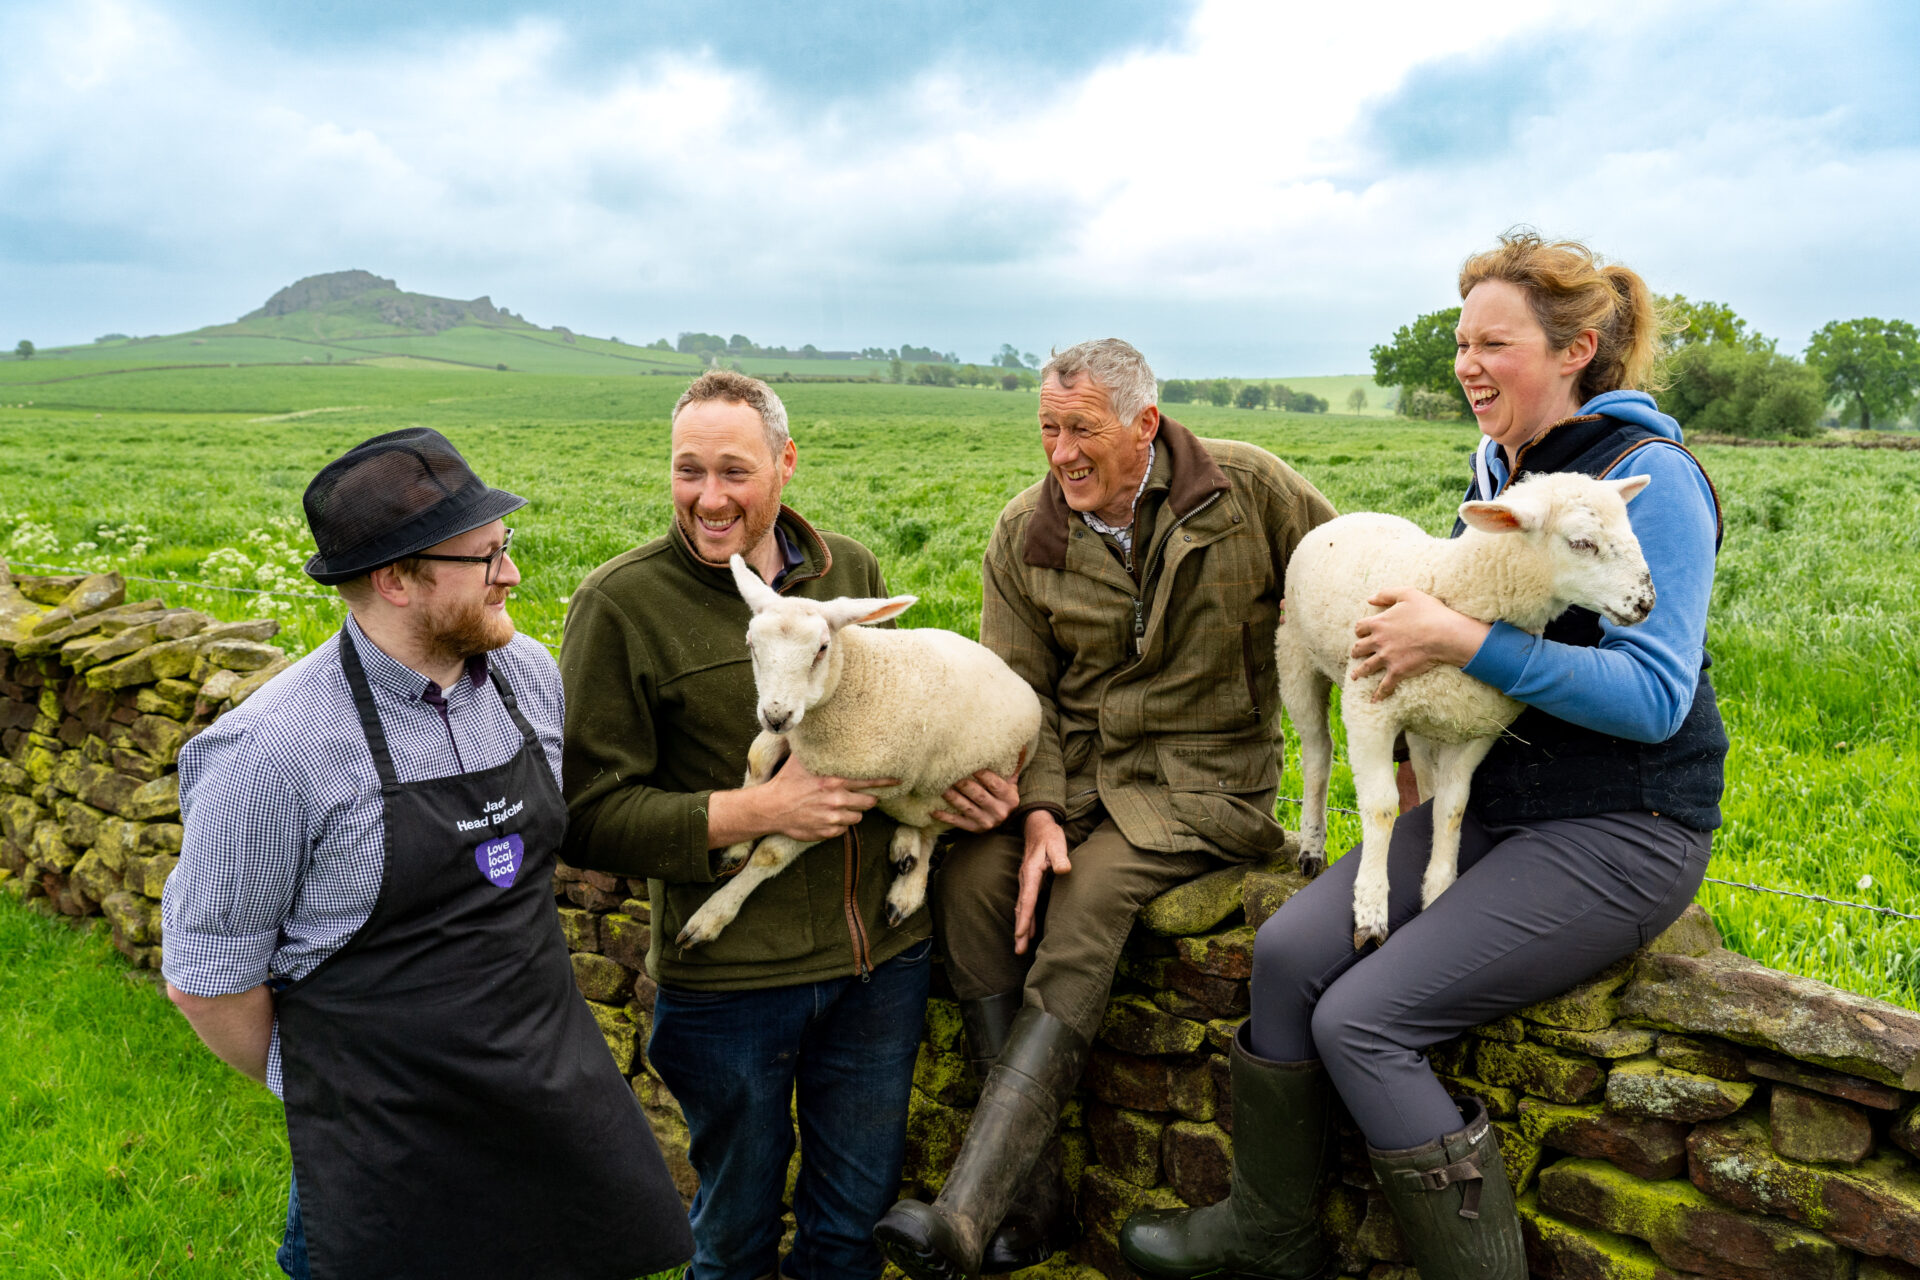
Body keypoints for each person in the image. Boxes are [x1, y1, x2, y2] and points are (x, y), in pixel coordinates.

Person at [1119, 233, 1726, 1280]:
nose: (1467, 365)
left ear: (1576, 349)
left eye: (1495, 344)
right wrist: (1411, 735)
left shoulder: (1651, 478)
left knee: (1363, 1020)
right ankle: (1271, 1235)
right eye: (1461, 343)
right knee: (1287, 954)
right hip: (1490, 803)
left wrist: (1464, 640)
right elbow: (1452, 661)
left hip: (1623, 827)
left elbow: (1655, 697)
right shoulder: (1504, 473)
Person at [161, 427, 691, 1280]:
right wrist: (335, 1087)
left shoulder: (526, 676)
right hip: (386, 1152)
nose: (511, 574)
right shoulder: (271, 753)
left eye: (505, 546)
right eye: (485, 558)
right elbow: (209, 976)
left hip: (544, 1101)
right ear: (396, 580)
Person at [875, 339, 1338, 1278]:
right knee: (971, 885)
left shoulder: (1249, 491)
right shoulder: (1024, 532)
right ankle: (1032, 1203)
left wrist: (1398, 751)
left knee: (1087, 900)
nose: (1061, 452)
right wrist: (1039, 811)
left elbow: (1351, 585)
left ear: (1144, 424)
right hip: (1075, 778)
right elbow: (1021, 695)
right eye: (1048, 429)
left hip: (1206, 786)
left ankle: (965, 1212)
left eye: (1081, 429)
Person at [558, 370, 1018, 1280]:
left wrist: (973, 796)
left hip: (879, 971)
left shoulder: (851, 573)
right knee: (733, 1240)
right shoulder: (622, 606)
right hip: (731, 985)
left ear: (785, 463)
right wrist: (755, 811)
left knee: (850, 1234)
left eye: (735, 470)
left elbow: (904, 729)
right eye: (688, 470)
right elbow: (582, 818)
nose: (709, 497)